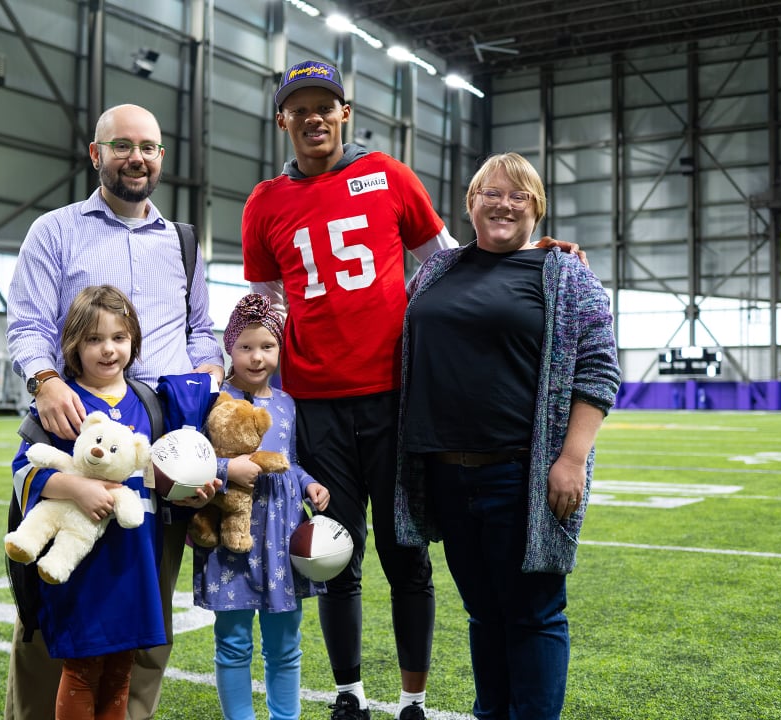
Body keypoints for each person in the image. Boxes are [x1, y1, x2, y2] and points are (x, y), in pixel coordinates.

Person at [241, 60, 582, 720]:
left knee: (405, 551)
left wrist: (533, 253)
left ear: (345, 113)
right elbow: (264, 302)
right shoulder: (265, 201)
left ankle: (413, 700)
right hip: (316, 400)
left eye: (324, 107)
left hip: (398, 397)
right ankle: (348, 695)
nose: (313, 118)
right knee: (334, 551)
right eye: (299, 109)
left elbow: (451, 261)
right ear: (282, 120)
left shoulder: (389, 176)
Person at [5, 103, 225, 720]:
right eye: (123, 145)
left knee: (146, 605)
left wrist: (206, 386)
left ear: (161, 157)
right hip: (75, 431)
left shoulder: (182, 241)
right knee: (51, 601)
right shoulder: (55, 230)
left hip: (163, 440)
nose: (137, 158)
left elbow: (202, 332)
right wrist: (47, 380)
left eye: (148, 147)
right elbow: (26, 323)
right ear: (96, 154)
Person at [394, 153, 621, 720]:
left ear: (537, 209)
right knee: (483, 613)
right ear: (470, 204)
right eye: (491, 193)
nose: (503, 204)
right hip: (444, 474)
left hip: (521, 475)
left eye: (519, 195)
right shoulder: (436, 270)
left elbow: (598, 370)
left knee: (534, 615)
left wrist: (571, 459)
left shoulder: (565, 273)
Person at [10, 285, 165, 720]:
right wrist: (78, 489)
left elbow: (159, 473)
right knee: (81, 667)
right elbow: (24, 470)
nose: (108, 349)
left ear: (133, 340)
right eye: (94, 339)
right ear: (74, 346)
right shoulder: (63, 405)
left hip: (135, 563)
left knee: (121, 668)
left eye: (119, 337)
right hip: (84, 568)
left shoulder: (148, 403)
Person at [190, 293, 331, 720]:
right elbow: (193, 460)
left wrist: (309, 484)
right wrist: (225, 468)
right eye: (245, 346)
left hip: (281, 536)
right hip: (230, 537)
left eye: (267, 346)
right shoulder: (213, 401)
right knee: (233, 642)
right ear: (229, 348)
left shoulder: (287, 403)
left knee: (285, 643)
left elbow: (292, 460)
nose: (257, 357)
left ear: (280, 348)